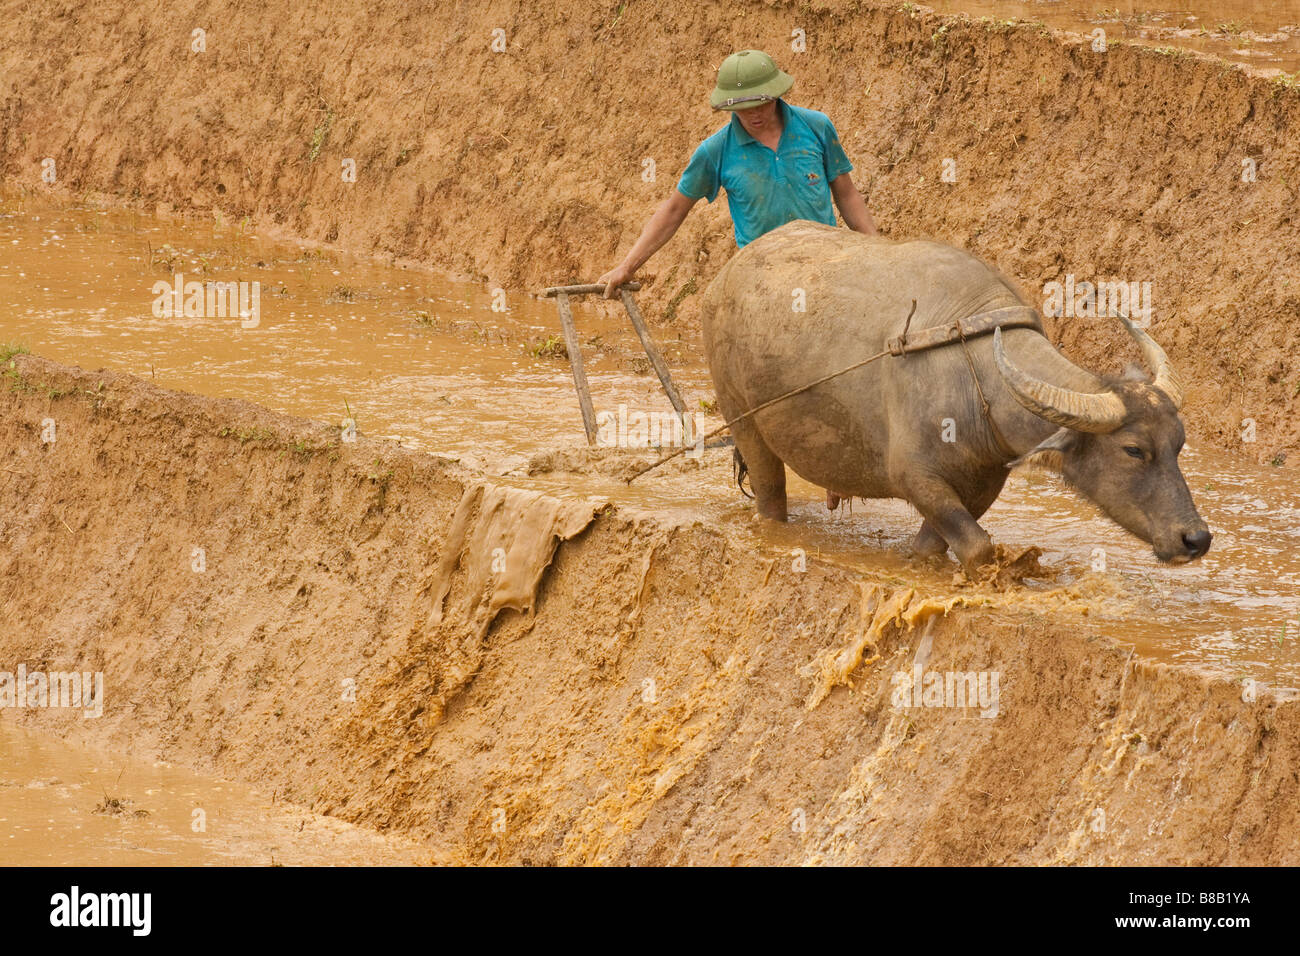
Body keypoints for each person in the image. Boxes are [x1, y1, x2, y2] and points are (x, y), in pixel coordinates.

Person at [598, 49, 878, 510]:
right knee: (762, 376)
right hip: (763, 279)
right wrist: (628, 265)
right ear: (728, 107)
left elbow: (845, 192)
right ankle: (767, 471)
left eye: (761, 105)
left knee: (854, 360)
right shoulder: (716, 151)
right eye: (741, 108)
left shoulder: (816, 127)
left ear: (779, 96)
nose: (753, 115)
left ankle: (838, 467)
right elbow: (674, 210)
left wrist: (877, 249)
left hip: (827, 266)